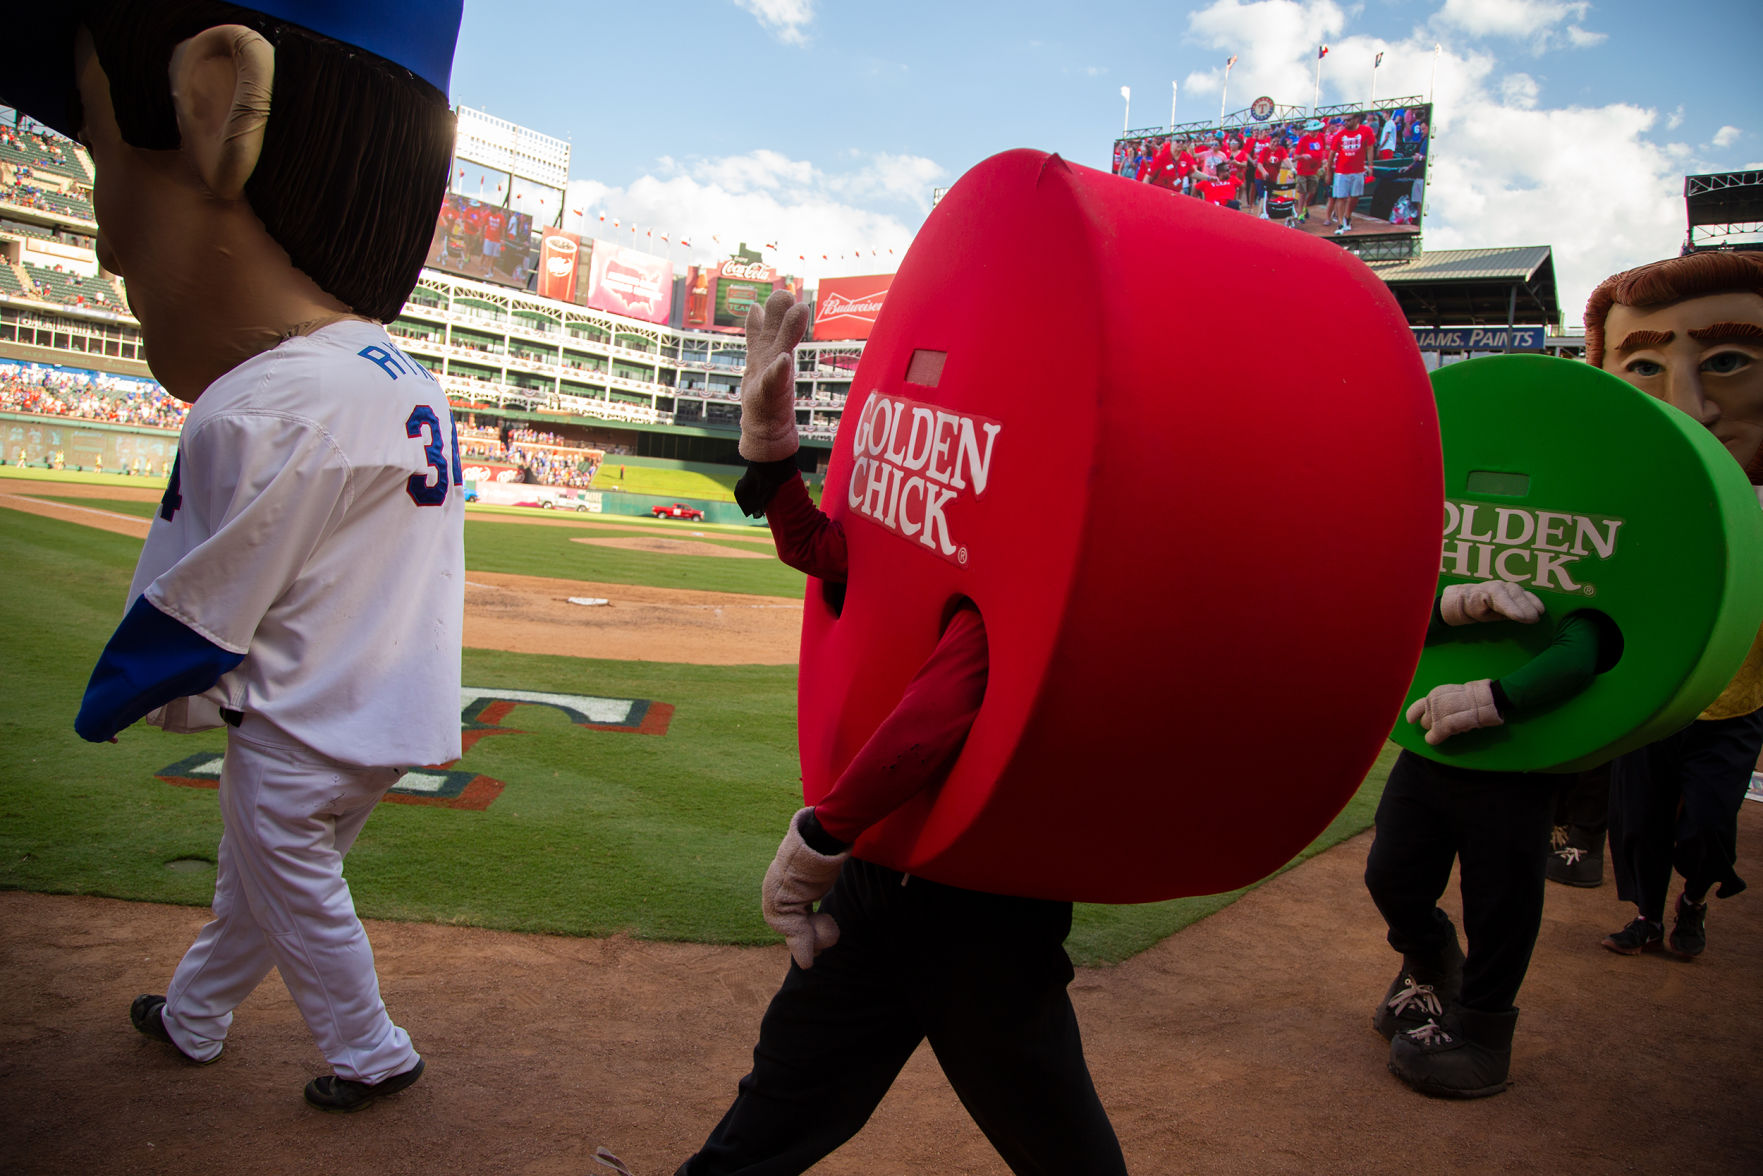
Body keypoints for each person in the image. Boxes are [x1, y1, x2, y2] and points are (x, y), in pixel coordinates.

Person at [4, 0, 466, 1112]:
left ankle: (374, 1051)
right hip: (389, 705)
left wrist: (122, 691)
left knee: (291, 883)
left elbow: (212, 594)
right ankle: (195, 1015)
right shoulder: (403, 371)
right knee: (257, 880)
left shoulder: (261, 395)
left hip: (305, 713)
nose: (108, 242)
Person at [674, 288, 1127, 1175]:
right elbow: (828, 554)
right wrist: (771, 451)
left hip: (977, 895)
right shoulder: (947, 498)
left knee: (1056, 1139)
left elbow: (943, 707)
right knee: (775, 1106)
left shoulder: (1031, 537)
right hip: (886, 878)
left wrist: (820, 833)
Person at [1369, 582, 1618, 1098]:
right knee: (1391, 873)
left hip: (1518, 756)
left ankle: (1484, 1032)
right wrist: (1455, 604)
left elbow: (1582, 652)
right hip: (1433, 741)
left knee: (1499, 898)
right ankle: (1431, 965)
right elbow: (1396, 614)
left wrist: (1494, 698)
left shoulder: (1592, 580)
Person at [1583, 252, 1763, 958]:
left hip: (1732, 707)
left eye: (1725, 361)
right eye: (1643, 367)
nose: (1689, 407)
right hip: (1652, 699)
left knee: (1708, 825)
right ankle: (1647, 917)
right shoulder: (1624, 509)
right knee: (1637, 824)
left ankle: (1693, 899)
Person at [1326, 111, 1376, 235]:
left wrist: (1370, 165)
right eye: (1345, 120)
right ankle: (1340, 223)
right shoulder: (1340, 134)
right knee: (1340, 197)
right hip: (1341, 171)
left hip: (1358, 170)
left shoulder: (1366, 131)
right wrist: (1329, 171)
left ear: (1357, 119)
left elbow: (1370, 148)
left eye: (1348, 120)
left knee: (1355, 196)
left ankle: (1347, 216)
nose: (1346, 123)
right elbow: (1332, 153)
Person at [1291, 119, 1329, 227]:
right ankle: (1300, 214)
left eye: (1316, 130)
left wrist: (1323, 159)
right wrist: (1303, 156)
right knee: (1302, 192)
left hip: (1314, 170)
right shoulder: (1303, 140)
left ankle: (1305, 207)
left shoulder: (1321, 137)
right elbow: (1295, 157)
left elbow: (1323, 150)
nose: (1314, 133)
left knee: (1312, 191)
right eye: (1312, 131)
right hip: (1303, 170)